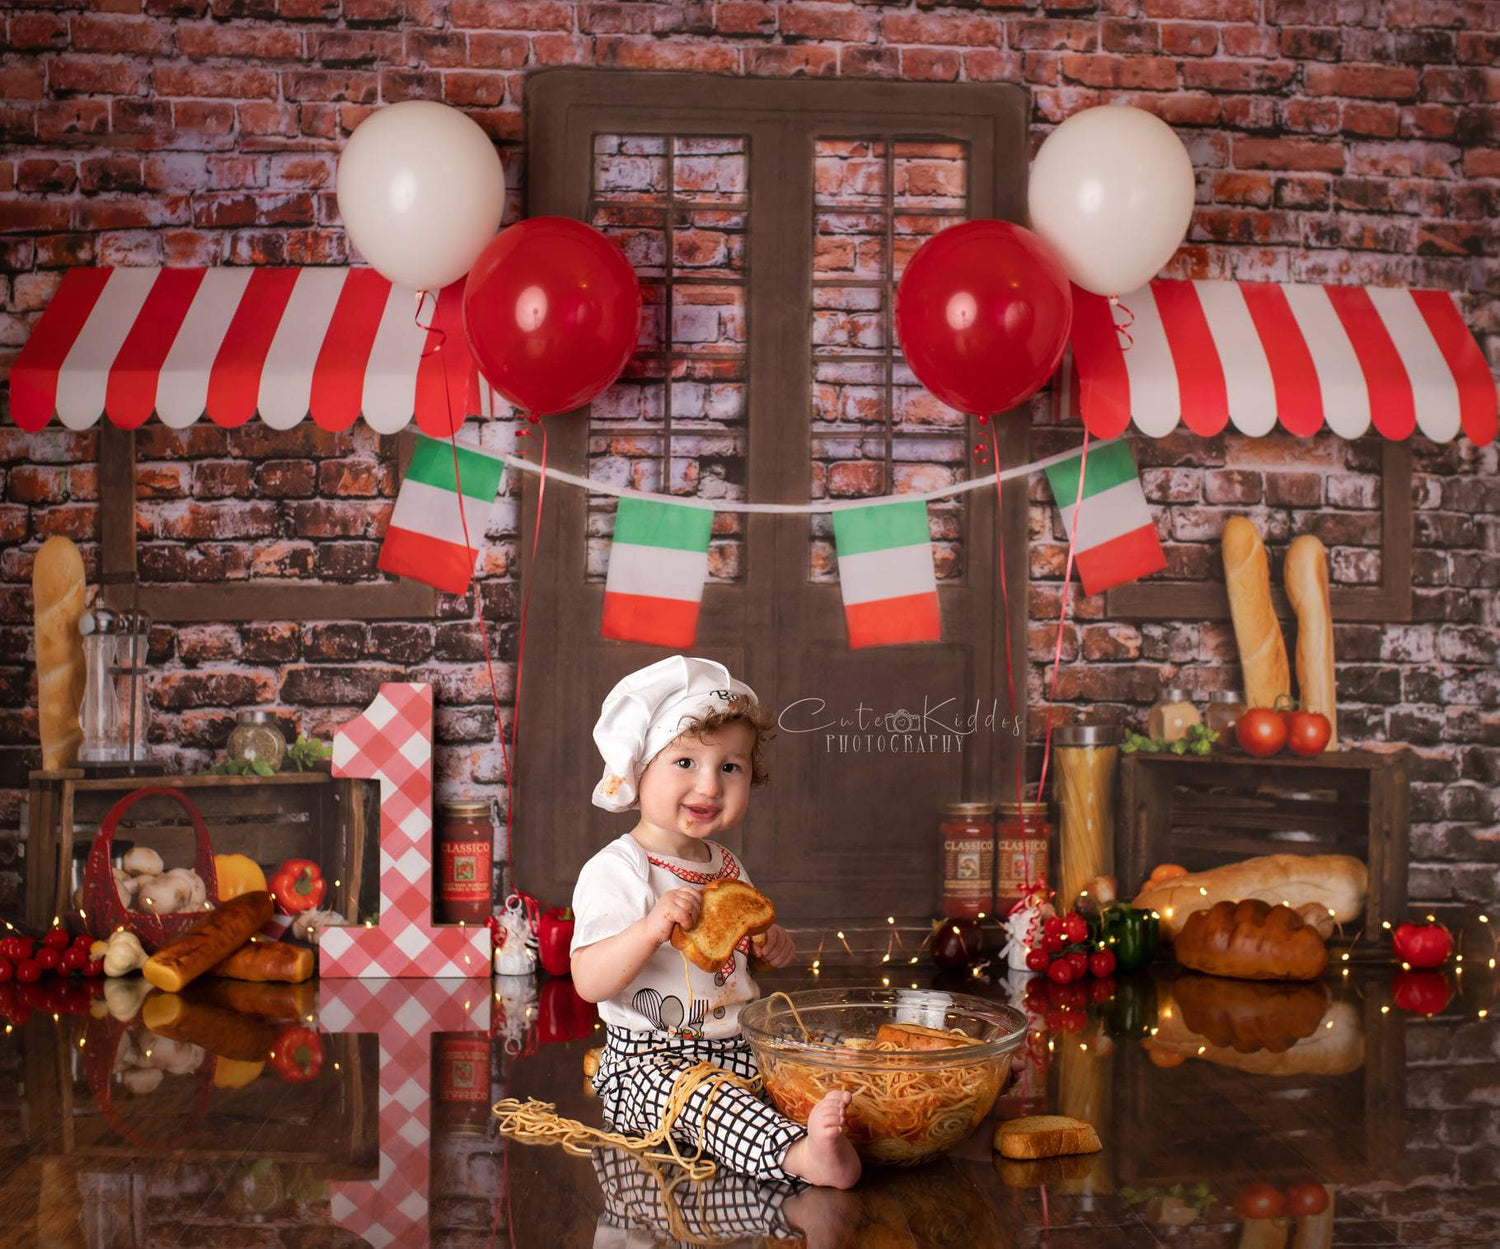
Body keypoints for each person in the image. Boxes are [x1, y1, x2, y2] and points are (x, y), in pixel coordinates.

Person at [570, 655, 861, 1190]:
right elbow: (589, 981)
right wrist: (650, 928)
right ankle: (800, 1157)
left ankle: (840, 1125)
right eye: (684, 763)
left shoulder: (725, 866)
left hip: (737, 1044)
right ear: (639, 770)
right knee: (708, 1100)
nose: (708, 787)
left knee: (807, 1065)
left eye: (730, 767)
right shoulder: (619, 868)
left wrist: (770, 943)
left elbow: (731, 964)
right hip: (649, 1065)